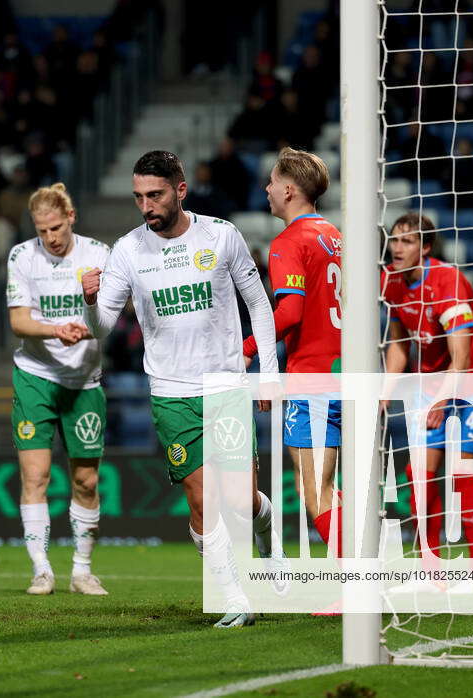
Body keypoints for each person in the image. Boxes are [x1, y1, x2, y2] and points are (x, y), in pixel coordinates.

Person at [82, 151, 285, 628]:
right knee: (201, 500)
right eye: (138, 197)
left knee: (241, 500)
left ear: (180, 189)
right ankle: (234, 597)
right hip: (171, 393)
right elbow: (101, 328)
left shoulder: (221, 235)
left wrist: (269, 373)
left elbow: (258, 304)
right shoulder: (129, 250)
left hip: (226, 385)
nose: (146, 206)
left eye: (154, 195)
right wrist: (89, 302)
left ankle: (267, 534)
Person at [382, 212, 473, 595]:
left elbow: (461, 358)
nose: (398, 248)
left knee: (462, 475)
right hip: (429, 385)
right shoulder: (392, 283)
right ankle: (430, 575)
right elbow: (399, 347)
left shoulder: (447, 282)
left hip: (472, 385)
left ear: (426, 247)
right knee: (418, 479)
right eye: (394, 240)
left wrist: (442, 402)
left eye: (408, 241)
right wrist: (382, 395)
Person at [6, 183, 111, 596]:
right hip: (35, 376)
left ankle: (82, 571)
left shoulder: (98, 254)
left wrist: (88, 315)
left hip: (84, 379)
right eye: (41, 229)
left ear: (71, 218)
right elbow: (18, 321)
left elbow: (111, 315)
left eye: (55, 228)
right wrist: (55, 329)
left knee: (85, 481)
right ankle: (41, 570)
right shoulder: (21, 255)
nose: (49, 237)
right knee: (36, 476)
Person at [241, 147, 343, 558]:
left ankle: (357, 589)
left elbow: (290, 311)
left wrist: (247, 346)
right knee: (325, 486)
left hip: (313, 377)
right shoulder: (335, 236)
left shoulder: (288, 242)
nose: (265, 189)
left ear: (288, 189)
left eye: (271, 181)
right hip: (346, 370)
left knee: (313, 490)